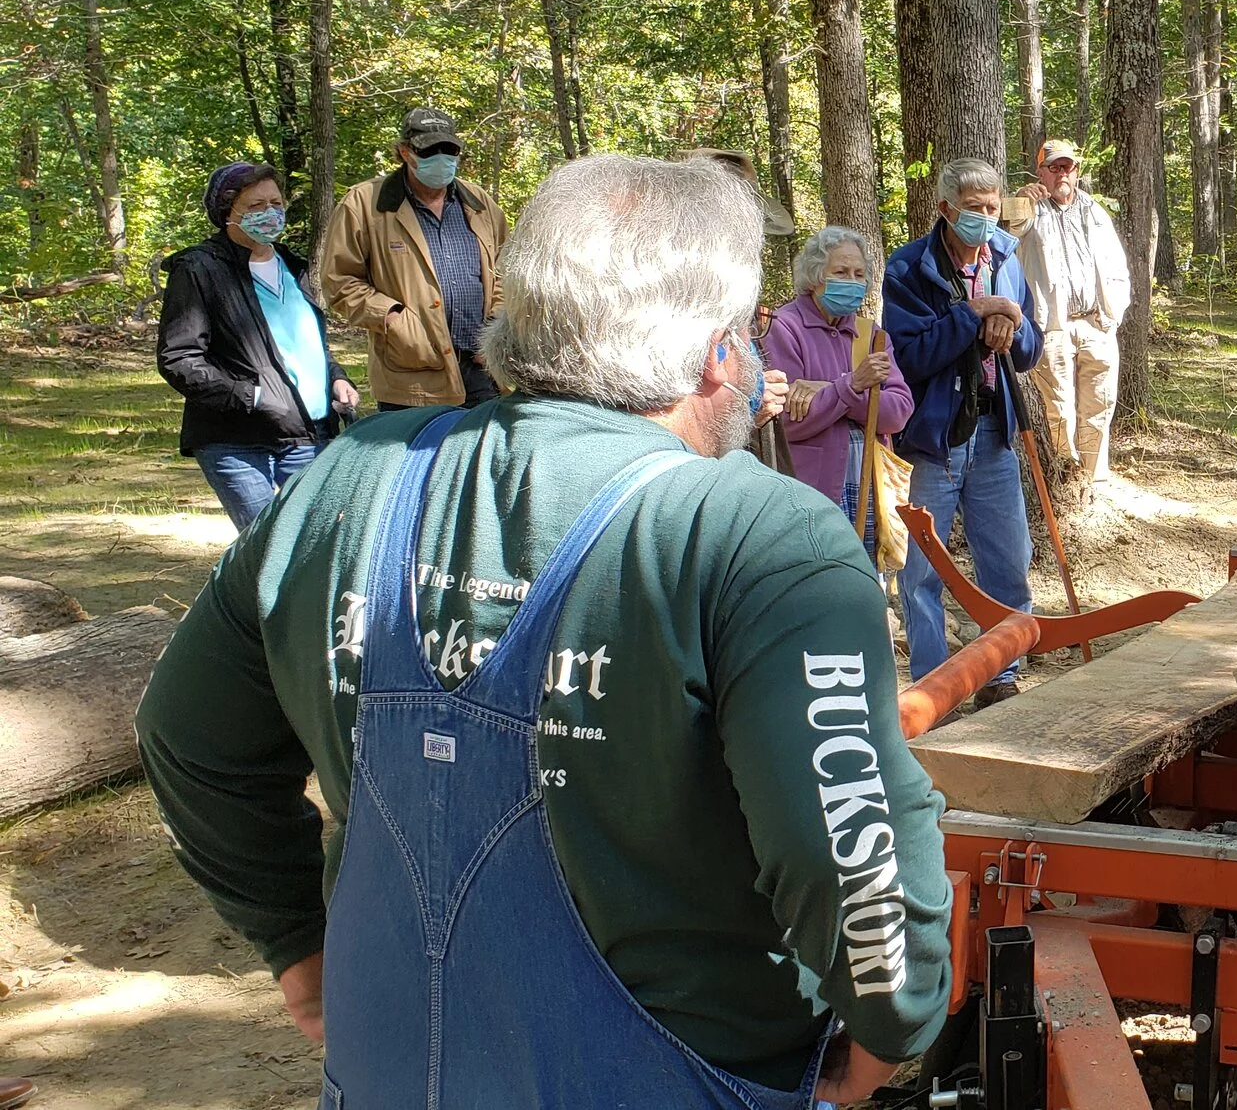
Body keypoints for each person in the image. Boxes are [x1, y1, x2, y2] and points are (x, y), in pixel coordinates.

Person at [135, 154, 945, 1109]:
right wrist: (891, 1023)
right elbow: (851, 847)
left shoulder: (347, 479)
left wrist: (296, 945)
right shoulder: (759, 534)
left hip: (387, 1060)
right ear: (718, 351)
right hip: (680, 1075)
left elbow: (187, 738)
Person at [884, 157, 1044, 700]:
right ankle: (934, 689)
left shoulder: (1006, 259)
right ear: (945, 209)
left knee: (1008, 561)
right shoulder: (908, 268)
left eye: (992, 207)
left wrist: (1011, 321)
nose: (984, 218)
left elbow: (1030, 351)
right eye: (973, 208)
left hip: (995, 433)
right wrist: (973, 314)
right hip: (933, 439)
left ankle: (1002, 676)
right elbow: (910, 356)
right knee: (922, 571)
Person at [157, 161, 359, 530]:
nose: (270, 213)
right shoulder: (198, 269)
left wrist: (337, 378)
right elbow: (179, 358)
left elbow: (304, 346)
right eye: (256, 206)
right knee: (266, 544)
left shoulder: (292, 266)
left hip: (309, 435)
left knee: (319, 539)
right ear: (227, 212)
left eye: (276, 204)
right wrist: (249, 397)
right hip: (238, 442)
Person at [320, 107, 507, 410]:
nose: (441, 157)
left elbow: (505, 272)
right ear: (405, 152)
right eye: (430, 150)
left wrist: (495, 326)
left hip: (481, 370)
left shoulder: (480, 203)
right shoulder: (365, 204)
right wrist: (394, 319)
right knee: (421, 445)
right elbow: (339, 281)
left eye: (449, 149)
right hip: (411, 376)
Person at [766, 225, 915, 529]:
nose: (852, 281)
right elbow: (787, 422)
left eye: (859, 274)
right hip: (809, 492)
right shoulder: (784, 327)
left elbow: (898, 412)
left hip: (871, 484)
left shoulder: (870, 334)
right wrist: (852, 385)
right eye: (841, 272)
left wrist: (832, 391)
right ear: (815, 277)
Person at [1014, 139, 1133, 497]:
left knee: (1100, 404)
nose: (1062, 173)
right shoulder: (1029, 210)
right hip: (1053, 326)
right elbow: (1005, 233)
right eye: (1054, 167)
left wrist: (1114, 313)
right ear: (1041, 172)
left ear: (1077, 171)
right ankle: (1066, 482)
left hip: (1097, 323)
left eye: (1067, 167)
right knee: (1058, 409)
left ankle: (1095, 482)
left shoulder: (1095, 212)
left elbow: (1118, 267)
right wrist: (1019, 201)